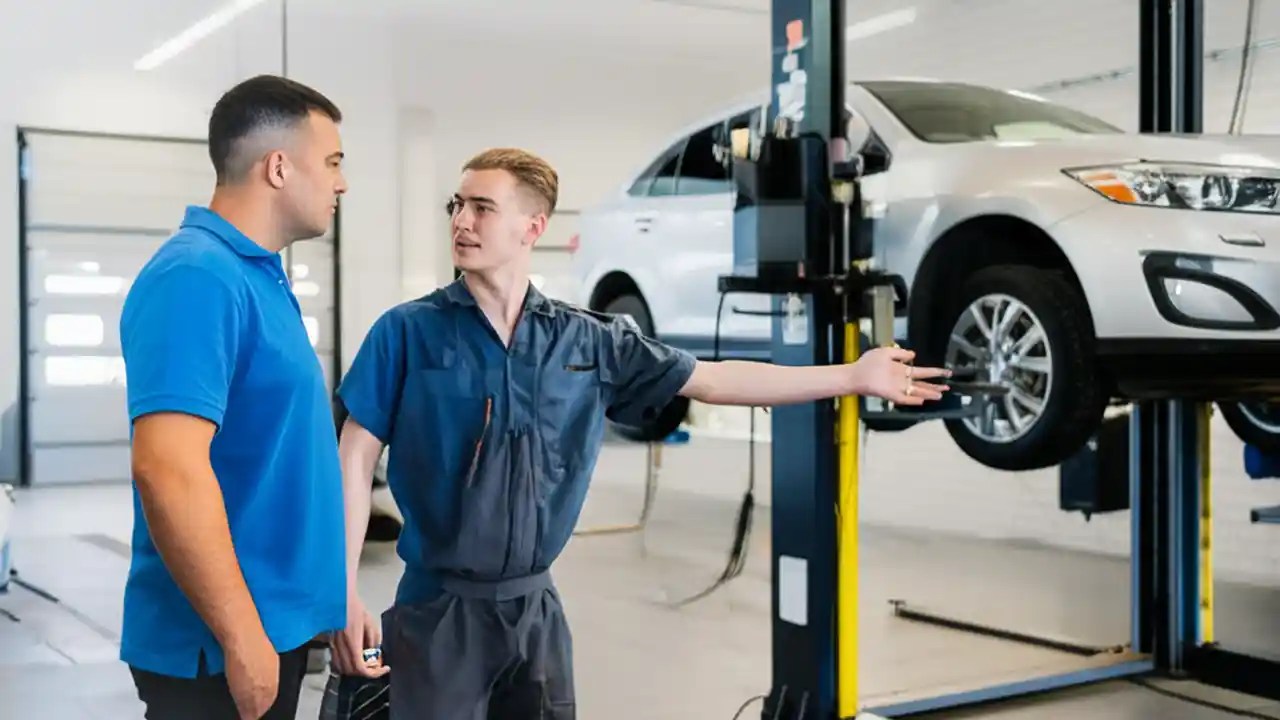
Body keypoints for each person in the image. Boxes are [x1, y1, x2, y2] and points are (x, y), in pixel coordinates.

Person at [331, 148, 950, 719]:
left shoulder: (590, 342)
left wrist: (853, 375)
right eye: (456, 206)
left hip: (536, 615)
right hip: (437, 611)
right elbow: (354, 459)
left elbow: (714, 381)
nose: (461, 221)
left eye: (482, 208)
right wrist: (345, 589)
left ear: (533, 227)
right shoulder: (407, 333)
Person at [119, 74, 350, 720]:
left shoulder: (258, 278)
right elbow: (167, 469)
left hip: (270, 625)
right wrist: (241, 635)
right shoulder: (197, 276)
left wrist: (330, 603)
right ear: (279, 167)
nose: (341, 183)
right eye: (331, 162)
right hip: (218, 647)